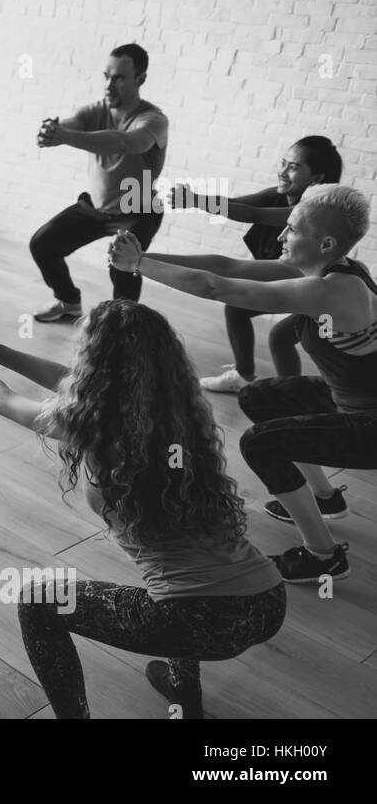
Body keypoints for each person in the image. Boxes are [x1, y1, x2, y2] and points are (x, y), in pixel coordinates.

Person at [0, 302, 285, 719]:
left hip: (196, 620)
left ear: (94, 363)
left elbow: (1, 400)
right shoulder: (179, 412)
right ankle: (185, 691)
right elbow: (71, 385)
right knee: (180, 583)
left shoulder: (93, 424)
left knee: (38, 601)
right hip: (267, 600)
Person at [110, 184, 375, 582]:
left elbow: (216, 287)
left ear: (326, 243)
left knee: (259, 443)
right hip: (347, 398)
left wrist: (137, 266)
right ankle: (325, 497)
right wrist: (140, 256)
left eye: (292, 229)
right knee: (259, 396)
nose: (282, 236)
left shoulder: (331, 290)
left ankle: (324, 556)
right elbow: (226, 266)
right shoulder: (328, 268)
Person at [172, 137, 343, 392]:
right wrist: (196, 199)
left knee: (285, 339)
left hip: (324, 293)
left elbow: (253, 215)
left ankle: (302, 397)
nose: (282, 172)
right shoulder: (277, 196)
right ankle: (250, 378)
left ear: (316, 178)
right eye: (283, 163)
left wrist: (196, 200)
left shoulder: (313, 210)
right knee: (244, 314)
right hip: (300, 284)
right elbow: (240, 204)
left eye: (293, 167)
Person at [30, 44, 169, 322]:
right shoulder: (95, 111)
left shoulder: (153, 119)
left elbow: (126, 142)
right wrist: (54, 130)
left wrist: (65, 137)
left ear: (140, 79)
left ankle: (122, 328)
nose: (109, 85)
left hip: (137, 212)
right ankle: (68, 301)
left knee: (123, 268)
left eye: (119, 78)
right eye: (106, 76)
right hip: (95, 207)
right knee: (43, 244)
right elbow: (71, 124)